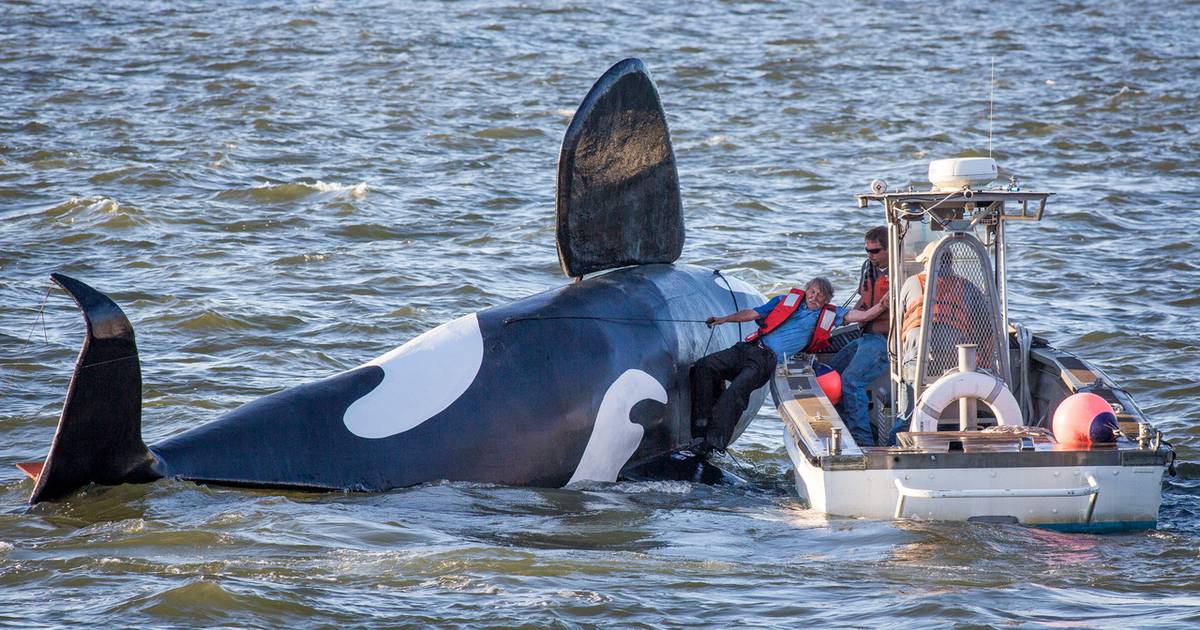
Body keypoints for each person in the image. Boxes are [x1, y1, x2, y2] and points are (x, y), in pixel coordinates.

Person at [691, 276, 886, 453]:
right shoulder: (783, 302)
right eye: (812, 292)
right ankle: (702, 421)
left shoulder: (830, 315)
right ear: (806, 290)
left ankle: (713, 443)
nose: (815, 297)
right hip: (749, 347)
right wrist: (724, 320)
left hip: (767, 360)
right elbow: (752, 313)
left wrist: (883, 304)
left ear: (826, 300)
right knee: (704, 366)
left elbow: (864, 316)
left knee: (736, 393)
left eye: (821, 295)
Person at [827, 226, 891, 447]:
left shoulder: (900, 273)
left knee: (851, 382)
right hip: (865, 335)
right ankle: (845, 428)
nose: (870, 256)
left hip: (884, 340)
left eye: (875, 251)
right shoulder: (868, 268)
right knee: (829, 375)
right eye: (867, 251)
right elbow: (863, 300)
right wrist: (843, 318)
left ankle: (863, 442)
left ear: (889, 248)